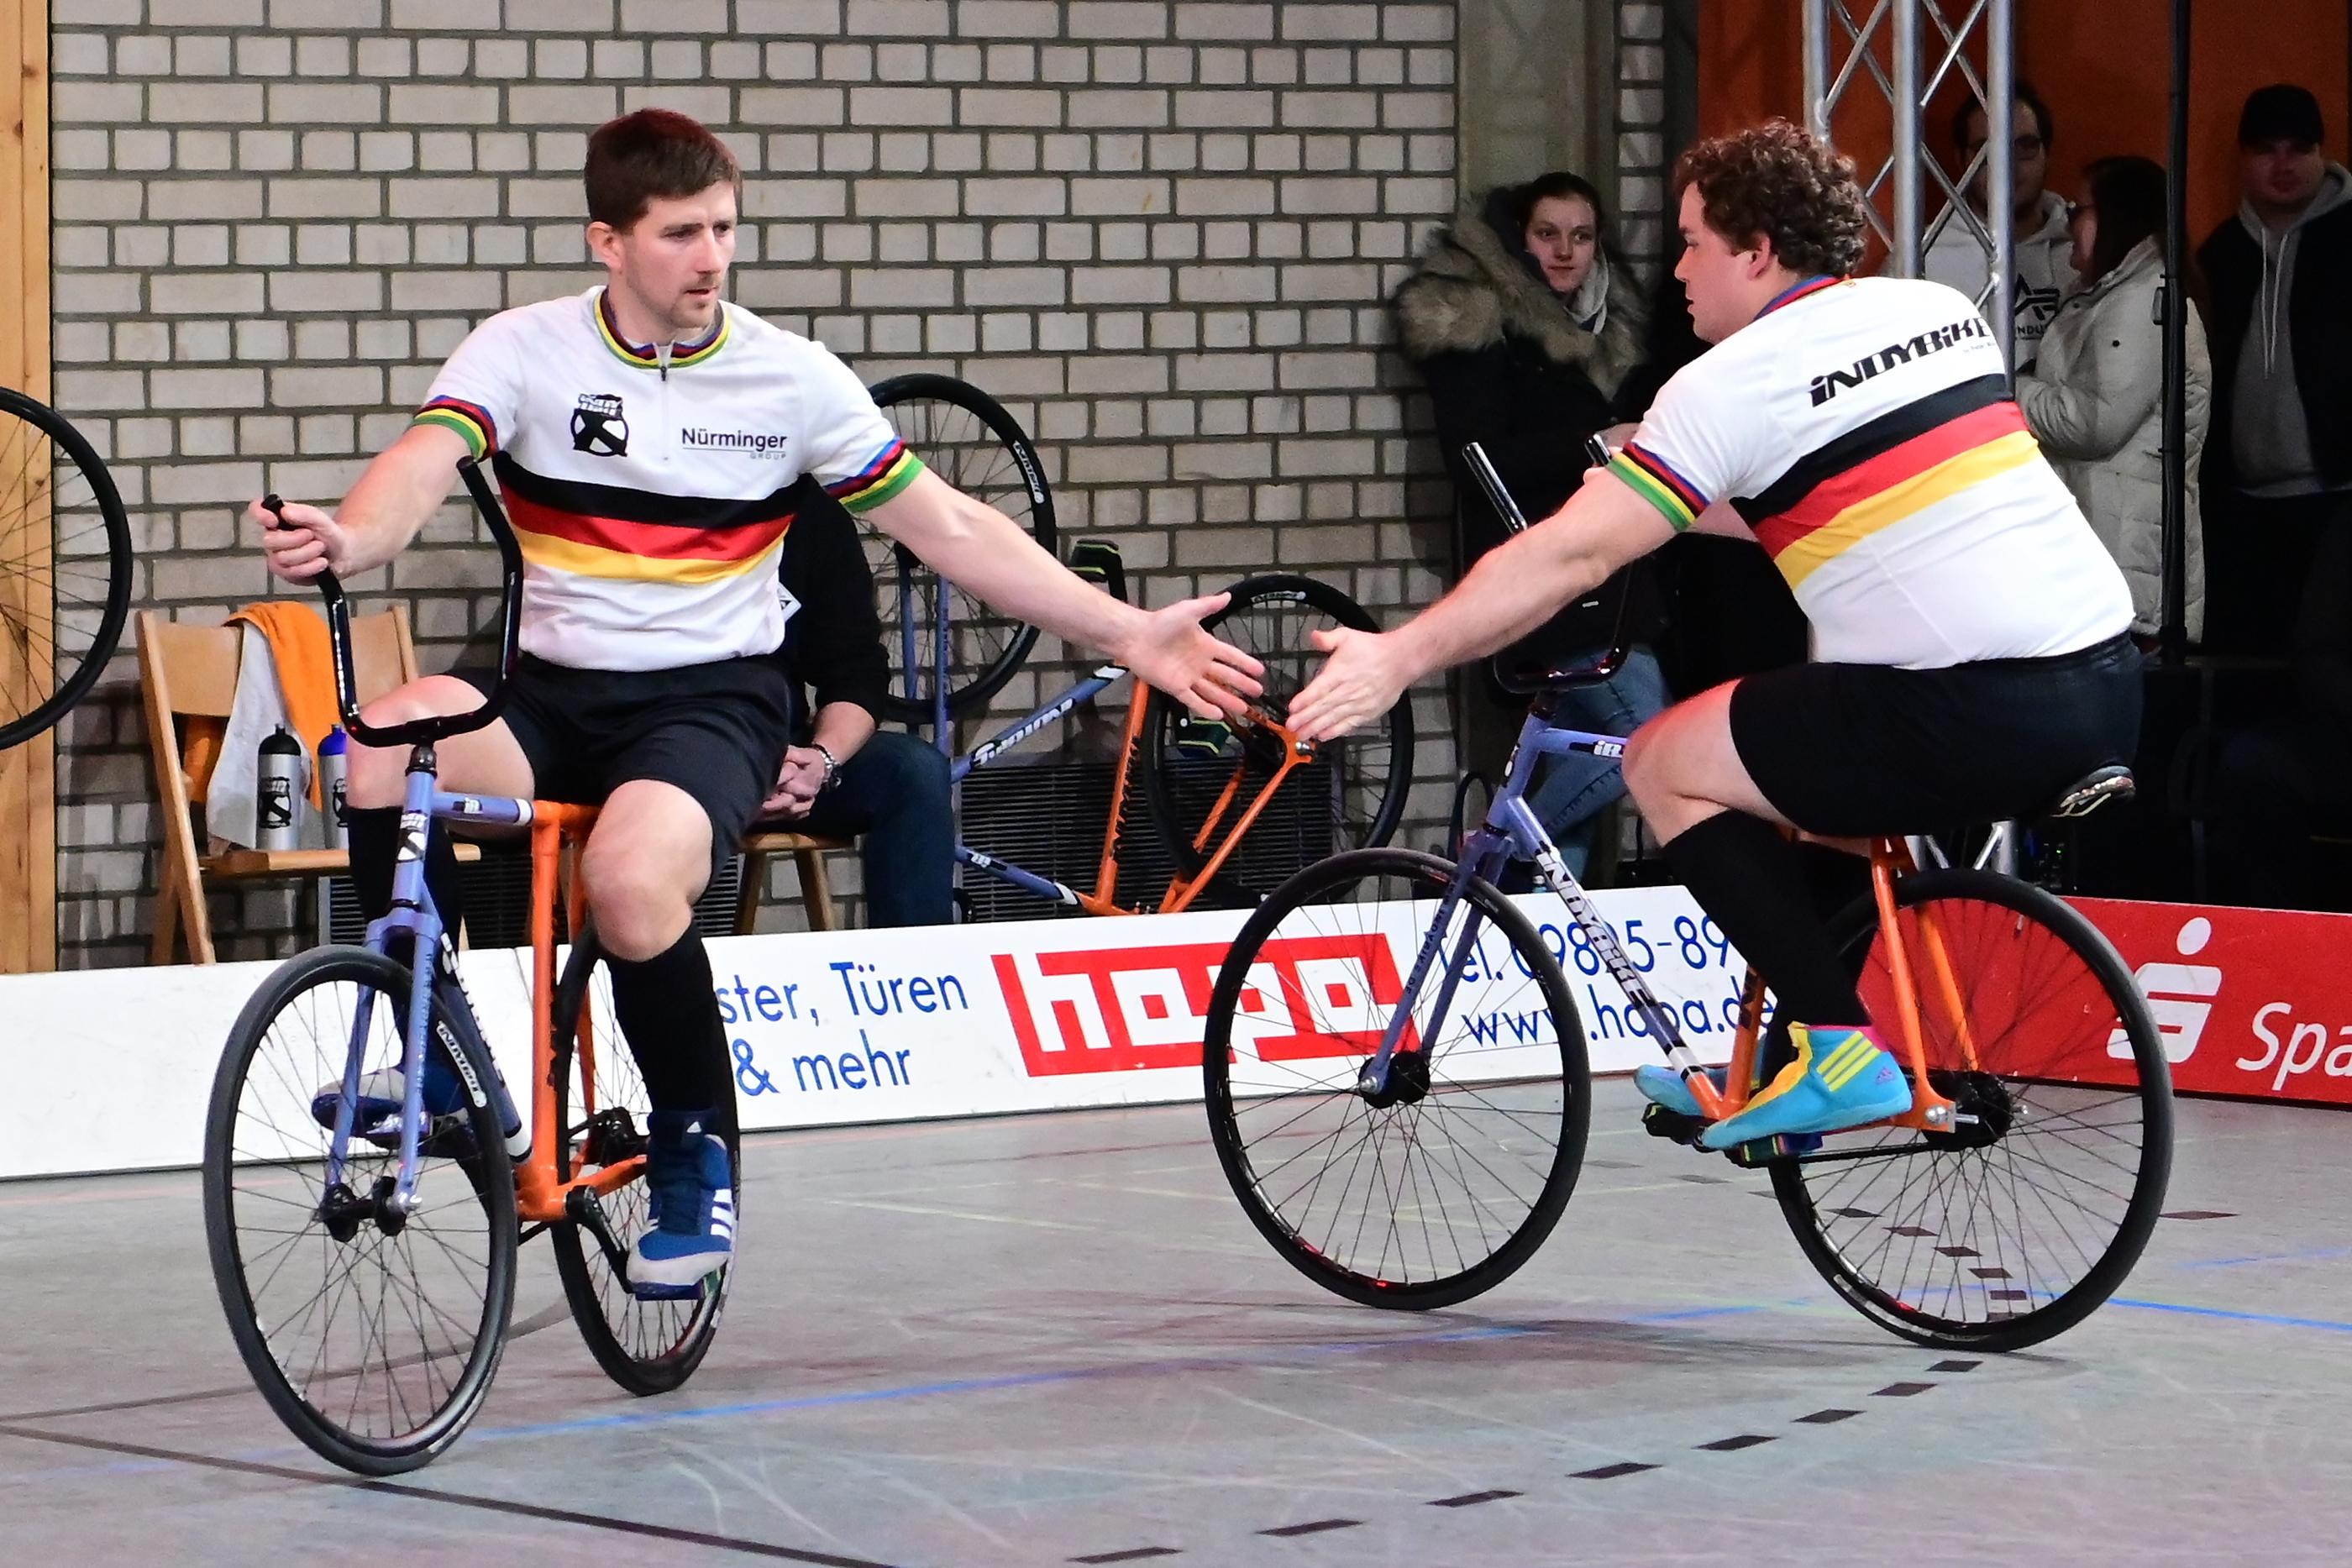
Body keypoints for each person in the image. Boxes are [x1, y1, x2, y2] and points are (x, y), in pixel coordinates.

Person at [254, 109, 1262, 1297]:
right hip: (550, 695)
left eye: (725, 229)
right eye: (681, 233)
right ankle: (437, 1057)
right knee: (380, 741)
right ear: (608, 242)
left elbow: (951, 526)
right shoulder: (524, 350)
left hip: (709, 703)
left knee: (628, 881)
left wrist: (1128, 631)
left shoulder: (790, 378)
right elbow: (417, 469)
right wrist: (347, 537)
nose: (712, 258)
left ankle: (695, 1150)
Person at [1292, 121, 2139, 1151]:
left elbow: (1568, 557)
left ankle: (1839, 1049)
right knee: (1810, 792)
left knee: (1660, 758)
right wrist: (1670, 493)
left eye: (1693, 243)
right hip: (2107, 686)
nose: (1678, 270)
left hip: (1962, 704)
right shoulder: (1935, 310)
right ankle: (1788, 1065)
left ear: (1757, 251)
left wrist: (1397, 654)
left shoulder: (1722, 385)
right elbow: (1841, 486)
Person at [1391, 171, 1665, 873]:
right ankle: (1496, 848)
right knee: (1643, 740)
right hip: (1544, 576)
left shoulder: (1613, 325)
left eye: (1581, 236)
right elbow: (1478, 461)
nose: (1566, 252)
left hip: (1612, 575)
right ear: (1518, 241)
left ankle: (1522, 916)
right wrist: (1598, 443)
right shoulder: (1480, 322)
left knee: (1574, 769)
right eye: (1548, 235)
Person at [2018, 155, 2212, 643]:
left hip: (2124, 565)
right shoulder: (2119, 294)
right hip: (2114, 555)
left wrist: (2008, 389)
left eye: (2079, 210)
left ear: (2117, 218)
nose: (2068, 224)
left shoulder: (2141, 301)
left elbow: (2093, 424)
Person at [2196, 84, 2352, 657]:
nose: (2283, 164)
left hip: (2340, 499)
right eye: (2267, 148)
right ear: (2243, 157)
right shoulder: (2220, 256)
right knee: (2249, 666)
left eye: (2298, 148)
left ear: (2321, 153)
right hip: (2241, 510)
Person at [758, 487, 953, 928]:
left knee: (913, 771)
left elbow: (855, 670)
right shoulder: (642, 505)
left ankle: (917, 967)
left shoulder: (808, 513)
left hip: (782, 757)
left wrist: (821, 760)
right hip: (666, 761)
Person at [1923, 82, 2075, 369]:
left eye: (2025, 148)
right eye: (1986, 151)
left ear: (2047, 153)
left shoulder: (2086, 250)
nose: (2008, 164)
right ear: (1962, 159)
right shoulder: (1924, 258)